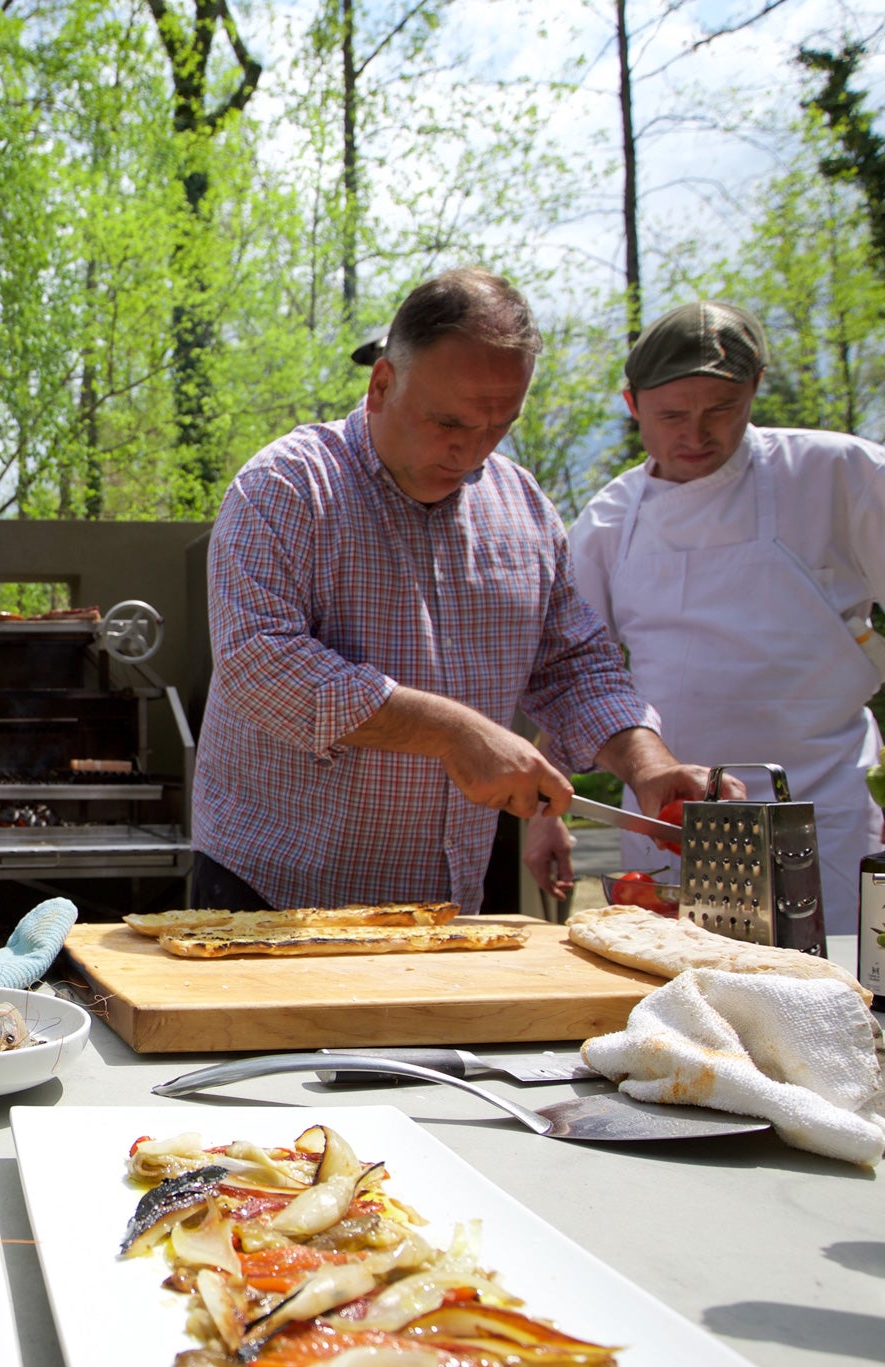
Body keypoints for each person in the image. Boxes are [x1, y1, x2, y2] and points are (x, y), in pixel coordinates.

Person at [192, 267, 716, 913]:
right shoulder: (288, 486)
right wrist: (451, 730)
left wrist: (648, 765)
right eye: (448, 422)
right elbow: (260, 666)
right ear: (382, 383)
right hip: (276, 891)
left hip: (449, 902)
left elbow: (574, 665)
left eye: (498, 427)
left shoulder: (522, 504)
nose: (470, 453)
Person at [527, 300, 885, 933]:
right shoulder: (609, 519)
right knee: (670, 990)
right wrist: (546, 817)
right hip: (666, 812)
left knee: (827, 983)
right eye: (672, 415)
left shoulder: (841, 475)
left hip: (820, 802)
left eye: (721, 410)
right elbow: (573, 673)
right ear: (632, 405)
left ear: (756, 387)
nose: (696, 435)